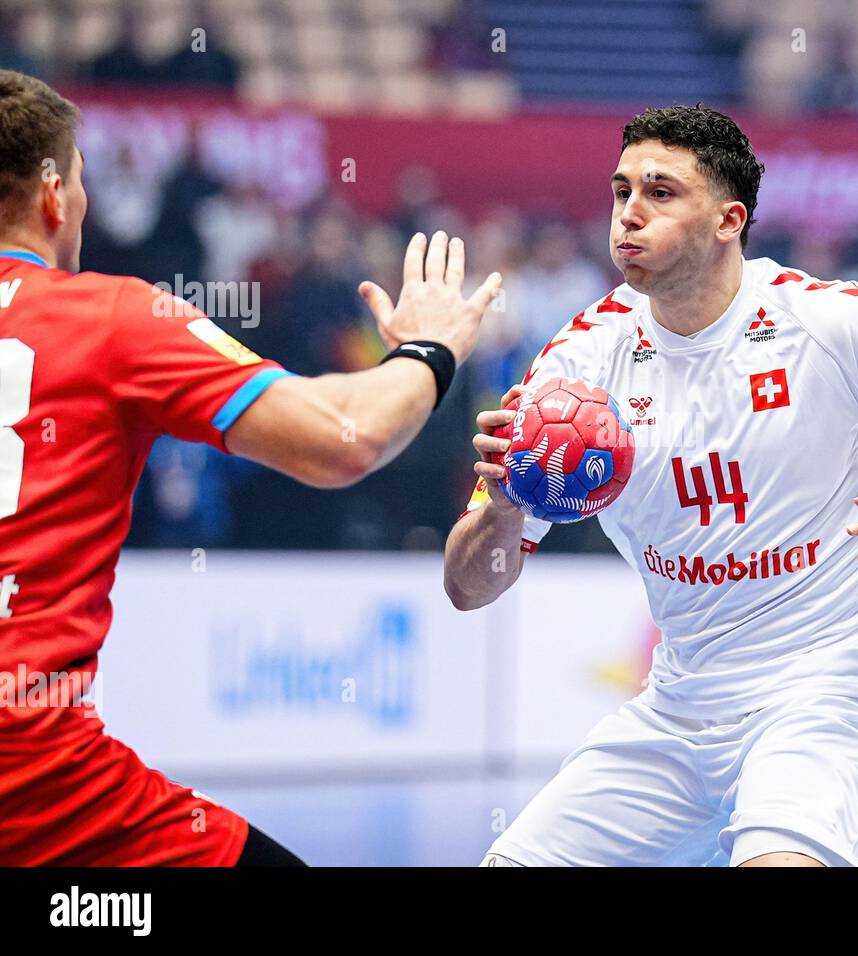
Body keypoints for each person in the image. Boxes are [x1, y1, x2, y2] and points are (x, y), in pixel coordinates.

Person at [444, 105, 858, 867]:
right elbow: (468, 589)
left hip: (837, 684)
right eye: (621, 192)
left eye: (660, 193)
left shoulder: (836, 324)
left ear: (729, 220)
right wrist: (509, 503)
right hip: (683, 703)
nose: (629, 214)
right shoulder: (577, 367)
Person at [0, 70, 501, 865]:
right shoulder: (112, 318)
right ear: (57, 196)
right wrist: (429, 346)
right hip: (41, 793)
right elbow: (344, 436)